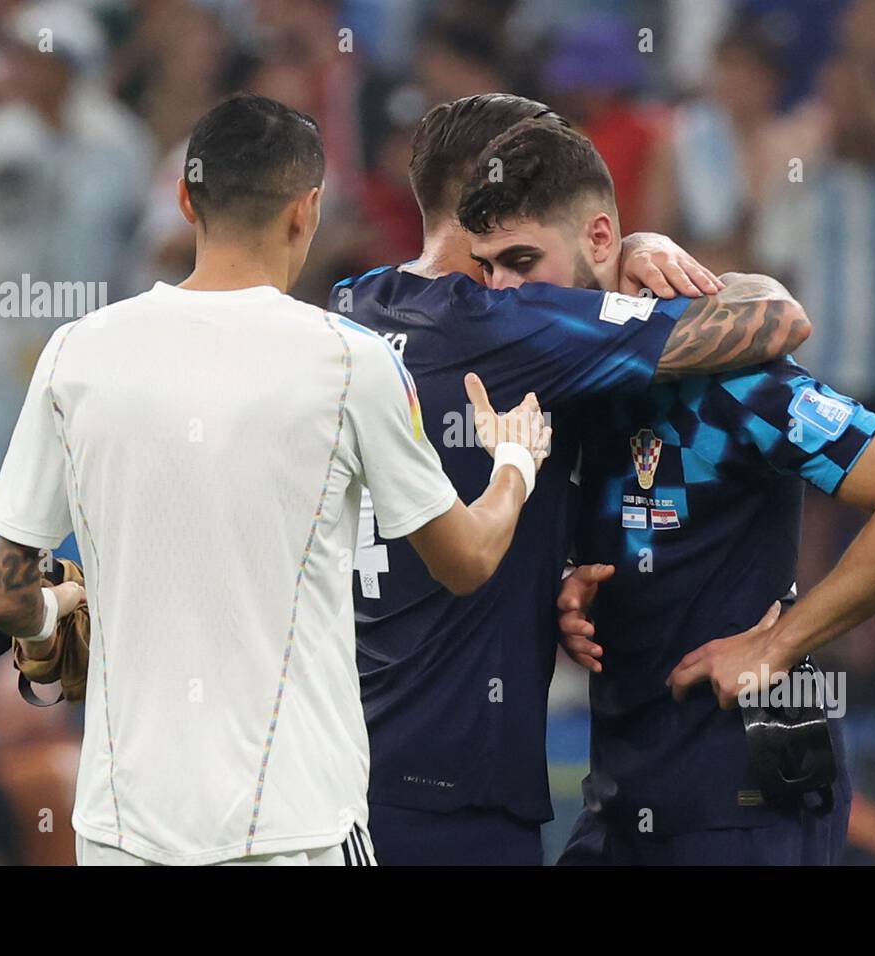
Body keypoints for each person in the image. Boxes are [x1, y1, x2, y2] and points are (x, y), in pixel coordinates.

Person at [0, 93, 550, 867]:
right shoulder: (350, 362)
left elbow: (3, 594)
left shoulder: (75, 353)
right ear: (306, 209)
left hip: (120, 831)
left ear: (184, 198)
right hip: (295, 827)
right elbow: (467, 561)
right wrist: (514, 464)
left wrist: (52, 619)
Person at [457, 118, 875, 865]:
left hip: (751, 792)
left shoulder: (728, 374)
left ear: (599, 239)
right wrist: (570, 595)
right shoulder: (559, 386)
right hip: (628, 792)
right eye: (487, 269)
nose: (503, 292)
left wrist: (780, 642)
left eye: (521, 261)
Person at [330, 92, 810, 864]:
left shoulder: (355, 304)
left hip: (342, 767)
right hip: (456, 783)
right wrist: (631, 255)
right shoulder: (509, 324)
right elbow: (776, 323)